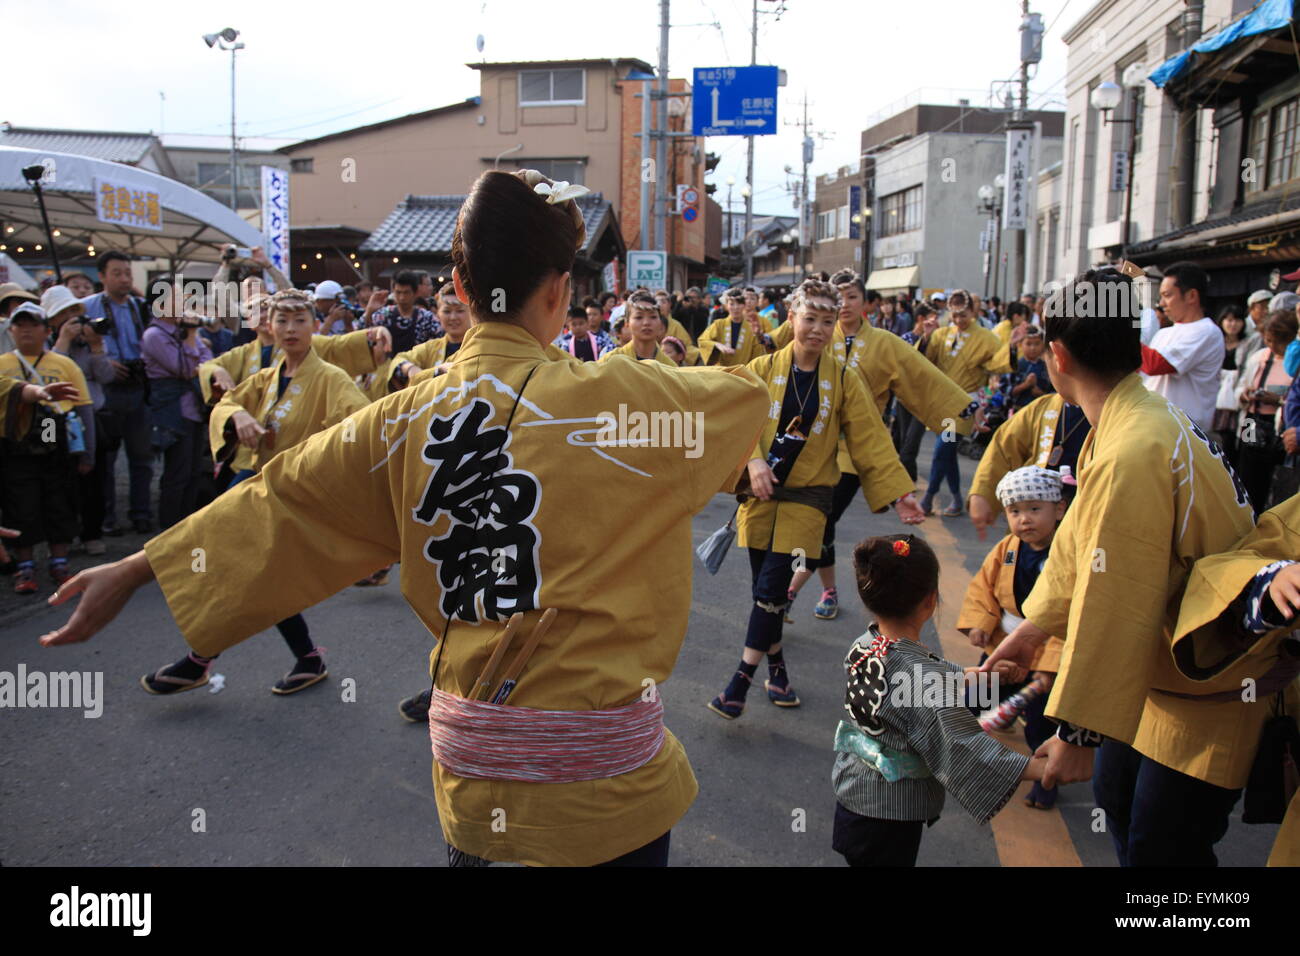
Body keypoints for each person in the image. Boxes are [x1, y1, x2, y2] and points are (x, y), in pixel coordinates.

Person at [43, 168, 770, 868]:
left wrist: (137, 567)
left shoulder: (397, 421)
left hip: (472, 771)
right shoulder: (629, 396)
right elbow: (742, 400)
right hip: (605, 787)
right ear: (559, 291)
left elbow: (281, 497)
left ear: (458, 286)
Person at [983, 267, 1258, 867]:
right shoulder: (1129, 422)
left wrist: (1079, 731)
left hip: (1205, 679)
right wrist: (1035, 629)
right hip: (1166, 671)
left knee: (1164, 851)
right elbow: (1081, 546)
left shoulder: (1132, 444)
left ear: (1057, 355)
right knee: (1122, 802)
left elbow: (1118, 594)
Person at [707, 278, 923, 720]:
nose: (819, 330)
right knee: (763, 594)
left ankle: (738, 684)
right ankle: (778, 669)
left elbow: (870, 438)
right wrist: (753, 461)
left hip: (810, 503)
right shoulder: (762, 368)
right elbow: (733, 419)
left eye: (828, 321)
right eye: (810, 319)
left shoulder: (844, 379)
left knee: (771, 593)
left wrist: (901, 494)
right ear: (792, 318)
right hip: (761, 498)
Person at [137, 289, 371, 696]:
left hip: (293, 498)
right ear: (270, 327)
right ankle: (301, 657)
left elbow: (360, 429)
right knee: (253, 577)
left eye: (300, 320)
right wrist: (238, 414)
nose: (290, 329)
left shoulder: (330, 378)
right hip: (253, 490)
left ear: (315, 325)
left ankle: (201, 659)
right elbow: (225, 403)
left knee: (247, 575)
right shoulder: (267, 376)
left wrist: (316, 460)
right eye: (282, 321)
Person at [831, 534, 1043, 867]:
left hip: (856, 789)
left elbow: (924, 675)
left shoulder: (866, 644)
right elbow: (961, 745)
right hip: (887, 810)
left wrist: (983, 675)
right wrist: (1038, 768)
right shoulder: (918, 675)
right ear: (931, 601)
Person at [777, 272, 972, 621]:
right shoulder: (819, 334)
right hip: (810, 446)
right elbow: (774, 356)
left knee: (821, 518)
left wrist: (963, 410)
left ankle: (788, 592)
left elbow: (921, 376)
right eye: (840, 297)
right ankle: (828, 588)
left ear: (865, 302)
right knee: (819, 522)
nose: (846, 304)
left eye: (852, 297)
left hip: (856, 450)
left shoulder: (885, 342)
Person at [1169, 496, 1300, 867]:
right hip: (1194, 706)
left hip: (1214, 719)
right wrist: (1273, 582)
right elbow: (1249, 558)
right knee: (1142, 821)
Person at [957, 466, 1065, 810]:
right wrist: (980, 623)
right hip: (1002, 642)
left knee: (1040, 724)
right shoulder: (1007, 547)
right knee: (975, 703)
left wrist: (1053, 665)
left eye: (1035, 509)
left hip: (1046, 647)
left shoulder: (1068, 552)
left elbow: (1075, 611)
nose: (1024, 520)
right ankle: (970, 761)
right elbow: (982, 588)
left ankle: (1047, 779)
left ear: (1059, 509)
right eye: (1015, 511)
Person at [0, 303, 94, 593]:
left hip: (55, 437)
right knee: (20, 505)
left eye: (33, 324)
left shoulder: (64, 364)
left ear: (47, 330)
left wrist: (88, 452)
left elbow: (84, 408)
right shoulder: (2, 364)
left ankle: (60, 563)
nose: (26, 330)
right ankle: (25, 568)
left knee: (60, 502)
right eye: (19, 325)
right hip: (16, 445)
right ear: (11, 330)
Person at [920, 289, 1012, 517]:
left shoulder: (987, 338)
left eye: (963, 315)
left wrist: (1013, 348)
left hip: (965, 404)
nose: (959, 320)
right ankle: (957, 499)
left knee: (943, 448)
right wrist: (926, 337)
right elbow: (925, 359)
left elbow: (998, 365)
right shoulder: (942, 334)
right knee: (947, 452)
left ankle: (928, 497)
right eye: (955, 315)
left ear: (972, 311)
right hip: (942, 401)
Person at [82, 251, 153, 535]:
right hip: (106, 388)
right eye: (117, 273)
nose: (124, 278)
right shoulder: (86, 307)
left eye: (128, 273)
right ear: (102, 276)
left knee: (142, 458)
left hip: (138, 388)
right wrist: (103, 359)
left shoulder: (140, 306)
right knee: (106, 461)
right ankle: (107, 518)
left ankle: (142, 514)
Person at [42, 285, 115, 556]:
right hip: (55, 419)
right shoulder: (46, 345)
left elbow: (106, 376)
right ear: (51, 320)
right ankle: (62, 533)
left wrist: (96, 347)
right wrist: (62, 342)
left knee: (94, 476)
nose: (73, 319)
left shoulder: (90, 341)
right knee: (57, 478)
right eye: (64, 313)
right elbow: (51, 374)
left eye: (75, 310)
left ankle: (92, 532)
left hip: (91, 415)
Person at [140, 286, 213, 530]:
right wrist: (194, 339)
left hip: (191, 410)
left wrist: (194, 343)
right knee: (177, 474)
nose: (182, 302)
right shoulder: (154, 335)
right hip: (172, 412)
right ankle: (169, 529)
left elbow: (209, 362)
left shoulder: (181, 331)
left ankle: (187, 527)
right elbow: (184, 368)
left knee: (193, 472)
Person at [1141, 262, 1224, 432]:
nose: (1161, 303)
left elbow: (1155, 365)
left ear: (1192, 296)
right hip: (1154, 426)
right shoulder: (1163, 333)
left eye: (1167, 295)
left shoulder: (1207, 331)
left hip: (1185, 434)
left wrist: (1117, 330)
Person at [1234, 310, 1296, 515]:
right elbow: (1240, 386)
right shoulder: (1258, 358)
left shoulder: (1294, 361)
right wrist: (1245, 395)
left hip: (1279, 425)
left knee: (1275, 478)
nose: (1270, 345)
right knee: (1246, 471)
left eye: (1275, 341)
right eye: (1267, 340)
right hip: (1252, 421)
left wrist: (1277, 400)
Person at [389, 283, 476, 386]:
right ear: (438, 314)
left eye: (460, 311)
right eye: (447, 311)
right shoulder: (431, 348)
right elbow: (399, 360)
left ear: (472, 312)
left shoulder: (479, 347)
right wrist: (410, 369)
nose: (453, 317)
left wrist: (425, 375)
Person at [600, 291, 676, 365]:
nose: (646, 322)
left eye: (653, 317)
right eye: (639, 317)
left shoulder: (669, 366)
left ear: (660, 323)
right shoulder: (610, 361)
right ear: (627, 324)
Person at [697, 288, 768, 365]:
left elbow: (758, 354)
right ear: (726, 306)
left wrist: (759, 336)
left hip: (742, 371)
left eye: (739, 304)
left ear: (744, 305)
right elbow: (702, 341)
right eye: (732, 304)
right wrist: (717, 345)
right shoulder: (718, 324)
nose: (736, 307)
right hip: (721, 372)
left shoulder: (751, 328)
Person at [1009, 325, 1052, 410]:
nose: (1033, 348)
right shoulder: (1016, 365)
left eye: (1037, 344)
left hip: (1041, 409)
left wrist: (1041, 394)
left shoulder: (1047, 367)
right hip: (1019, 410)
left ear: (1043, 345)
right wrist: (1025, 385)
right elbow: (1007, 391)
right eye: (1028, 344)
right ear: (1021, 344)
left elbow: (1054, 394)